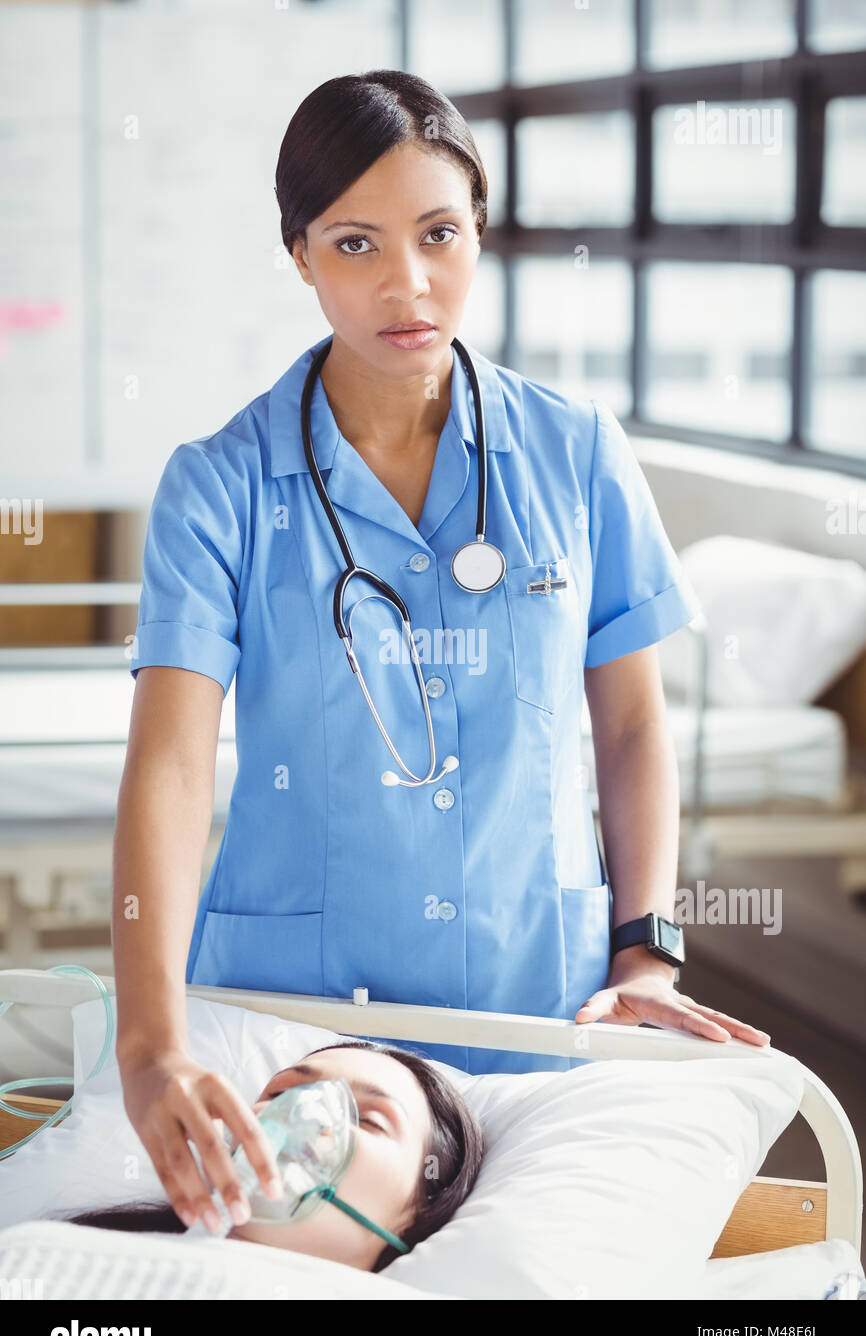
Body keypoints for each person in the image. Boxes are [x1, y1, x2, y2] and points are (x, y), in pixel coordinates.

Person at [114, 67, 770, 1240]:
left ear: (480, 231)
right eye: (356, 243)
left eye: (439, 234)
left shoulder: (572, 454)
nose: (407, 284)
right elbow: (167, 767)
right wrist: (151, 1040)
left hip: (535, 999)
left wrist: (646, 953)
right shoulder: (217, 487)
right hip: (292, 1018)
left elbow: (626, 726)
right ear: (300, 253)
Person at [52, 1041, 483, 1272]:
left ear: (421, 1212)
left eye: (370, 1120)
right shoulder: (62, 1261)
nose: (300, 1113)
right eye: (280, 1094)